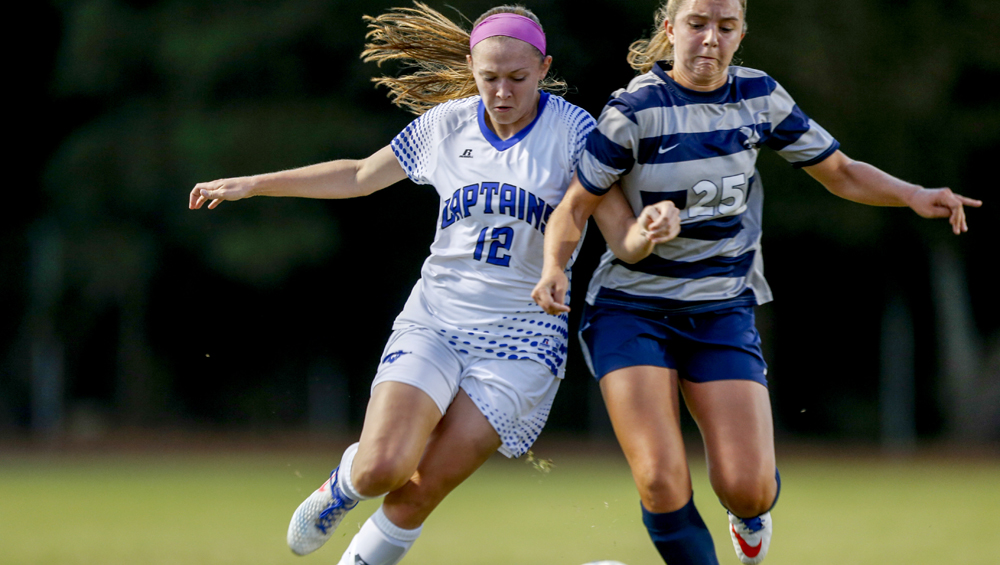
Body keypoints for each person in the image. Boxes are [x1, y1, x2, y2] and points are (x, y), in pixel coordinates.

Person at [531, 1, 982, 564]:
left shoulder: (760, 96)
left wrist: (913, 194)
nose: (710, 39)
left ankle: (749, 514)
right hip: (631, 310)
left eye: (725, 26)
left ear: (742, 32)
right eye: (697, 24)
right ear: (671, 29)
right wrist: (555, 268)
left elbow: (839, 171)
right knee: (661, 478)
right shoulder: (634, 109)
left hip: (722, 309)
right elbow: (575, 208)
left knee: (749, 487)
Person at [189, 4, 595, 565]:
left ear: (544, 68)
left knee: (420, 489)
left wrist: (563, 265)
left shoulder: (575, 132)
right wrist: (256, 184)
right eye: (489, 78)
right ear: (472, 70)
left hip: (523, 340)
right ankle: (343, 485)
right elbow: (359, 175)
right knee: (382, 469)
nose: (502, 92)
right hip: (438, 322)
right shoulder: (447, 124)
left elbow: (583, 212)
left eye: (517, 79)